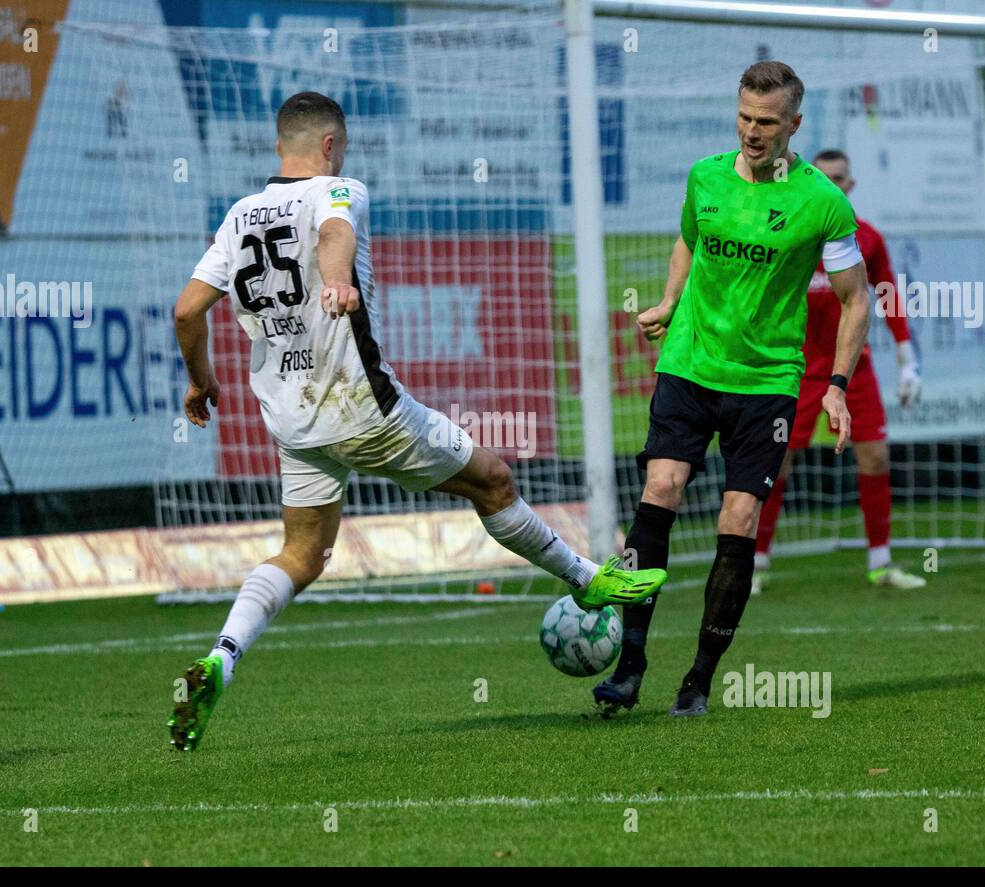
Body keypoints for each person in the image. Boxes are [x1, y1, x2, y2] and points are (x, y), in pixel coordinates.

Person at [165, 92, 665, 750]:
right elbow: (332, 234)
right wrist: (337, 280)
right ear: (330, 147)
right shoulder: (339, 187)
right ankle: (589, 578)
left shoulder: (237, 217)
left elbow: (185, 311)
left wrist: (202, 381)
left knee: (303, 552)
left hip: (292, 423)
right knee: (494, 481)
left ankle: (221, 657)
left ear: (278, 144)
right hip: (362, 407)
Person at [591, 62, 870, 718]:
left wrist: (835, 386)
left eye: (766, 122)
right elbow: (689, 241)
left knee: (738, 517)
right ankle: (630, 663)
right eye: (744, 116)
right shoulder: (705, 175)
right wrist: (669, 300)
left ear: (794, 125)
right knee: (661, 488)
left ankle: (699, 680)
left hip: (767, 380)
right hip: (689, 363)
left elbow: (857, 302)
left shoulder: (821, 202)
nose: (751, 131)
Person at [752, 148, 925, 593]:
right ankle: (756, 564)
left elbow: (886, 294)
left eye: (839, 177)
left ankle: (880, 564)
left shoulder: (866, 239)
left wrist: (908, 360)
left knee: (876, 456)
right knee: (777, 460)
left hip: (852, 370)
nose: (832, 183)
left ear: (850, 184)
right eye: (823, 176)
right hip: (794, 370)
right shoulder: (788, 231)